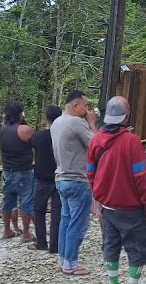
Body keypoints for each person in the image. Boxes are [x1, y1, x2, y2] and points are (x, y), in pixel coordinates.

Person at [88, 97, 146, 284]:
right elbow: (140, 177)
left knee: (110, 245)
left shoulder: (96, 140)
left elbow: (91, 173)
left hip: (108, 207)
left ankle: (113, 282)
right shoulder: (132, 141)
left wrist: (98, 196)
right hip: (131, 208)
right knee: (137, 247)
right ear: (126, 116)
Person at [53, 90, 98, 276]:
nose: (87, 110)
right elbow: (97, 145)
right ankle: (71, 263)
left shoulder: (57, 122)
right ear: (75, 106)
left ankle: (63, 259)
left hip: (61, 178)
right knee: (77, 224)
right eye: (85, 106)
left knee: (66, 221)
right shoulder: (76, 122)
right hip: (77, 180)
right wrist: (92, 123)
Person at [0, 101, 36, 242]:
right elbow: (35, 144)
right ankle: (26, 233)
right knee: (26, 202)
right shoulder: (24, 130)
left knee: (8, 201)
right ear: (20, 114)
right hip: (23, 171)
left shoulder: (2, 129)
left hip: (7, 171)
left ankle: (7, 230)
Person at [31, 105, 63, 254]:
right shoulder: (62, 136)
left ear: (46, 117)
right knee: (57, 212)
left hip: (42, 178)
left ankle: (41, 242)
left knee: (39, 211)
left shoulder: (37, 137)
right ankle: (55, 245)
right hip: (58, 177)